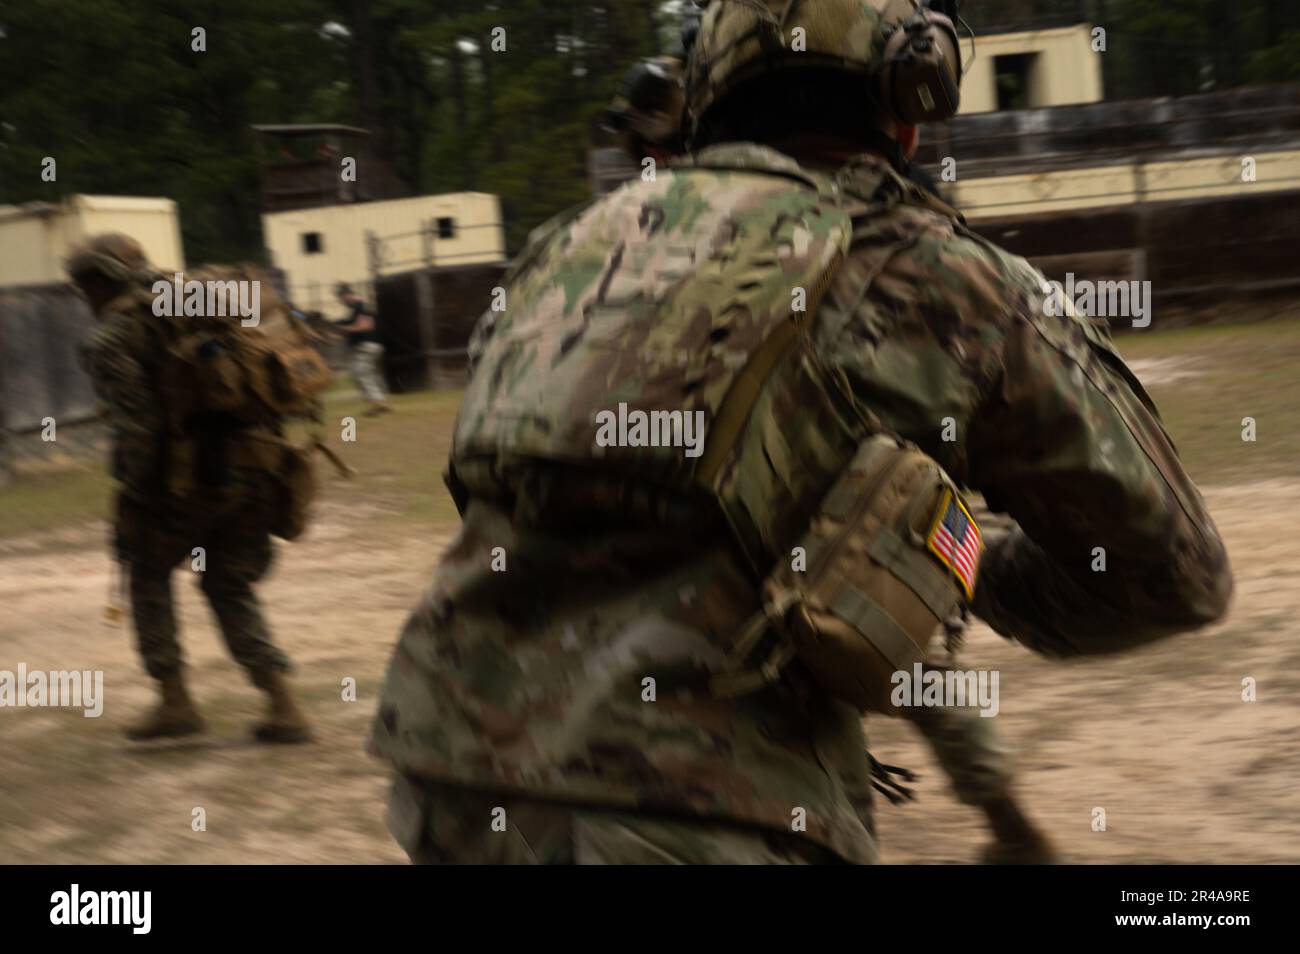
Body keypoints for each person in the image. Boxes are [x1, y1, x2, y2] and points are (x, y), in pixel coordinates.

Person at [369, 0, 1232, 864]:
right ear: (911, 102)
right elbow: (1173, 574)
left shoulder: (565, 254)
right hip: (710, 816)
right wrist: (959, 561)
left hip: (448, 781)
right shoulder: (948, 280)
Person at [70, 233, 312, 744]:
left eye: (83, 286)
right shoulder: (199, 299)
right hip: (259, 469)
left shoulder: (114, 336)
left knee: (147, 574)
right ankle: (283, 705)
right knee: (228, 584)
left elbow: (138, 427)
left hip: (188, 481)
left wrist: (136, 495)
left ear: (97, 282)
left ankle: (175, 701)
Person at [334, 283, 389, 415]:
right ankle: (380, 403)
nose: (342, 302)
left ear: (346, 295)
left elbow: (365, 326)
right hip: (371, 346)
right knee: (367, 374)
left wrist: (344, 328)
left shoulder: (360, 306)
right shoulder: (357, 309)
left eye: (341, 299)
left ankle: (376, 405)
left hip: (367, 346)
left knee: (361, 374)